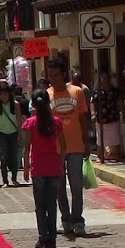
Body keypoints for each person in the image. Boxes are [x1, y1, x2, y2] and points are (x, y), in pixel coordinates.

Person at [46, 56, 92, 236]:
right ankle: (65, 219)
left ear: (64, 74)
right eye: (51, 76)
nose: (53, 79)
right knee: (58, 186)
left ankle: (77, 219)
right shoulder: (47, 95)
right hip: (56, 148)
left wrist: (87, 143)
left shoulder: (77, 92)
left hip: (75, 146)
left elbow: (83, 119)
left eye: (56, 75)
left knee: (76, 184)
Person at [27, 89, 66, 248]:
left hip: (38, 169)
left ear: (34, 105)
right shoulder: (56, 122)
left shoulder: (31, 123)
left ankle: (43, 237)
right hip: (53, 167)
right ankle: (52, 238)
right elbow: (63, 147)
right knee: (51, 205)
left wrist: (25, 167)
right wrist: (61, 164)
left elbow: (26, 147)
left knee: (40, 206)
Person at [0, 80, 25, 187]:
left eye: (5, 94)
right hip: (1, 134)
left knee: (14, 157)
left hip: (13, 133)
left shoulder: (16, 105)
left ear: (9, 94)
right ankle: (5, 181)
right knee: (3, 157)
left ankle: (14, 178)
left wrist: (20, 135)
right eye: (1, 94)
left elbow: (18, 120)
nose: (4, 96)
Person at [93, 69, 124, 164]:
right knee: (100, 138)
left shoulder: (115, 91)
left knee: (115, 137)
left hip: (113, 116)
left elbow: (119, 102)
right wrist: (93, 114)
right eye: (103, 79)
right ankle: (100, 155)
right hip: (101, 118)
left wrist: (123, 113)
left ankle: (116, 154)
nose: (105, 80)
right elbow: (93, 103)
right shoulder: (97, 92)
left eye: (107, 78)